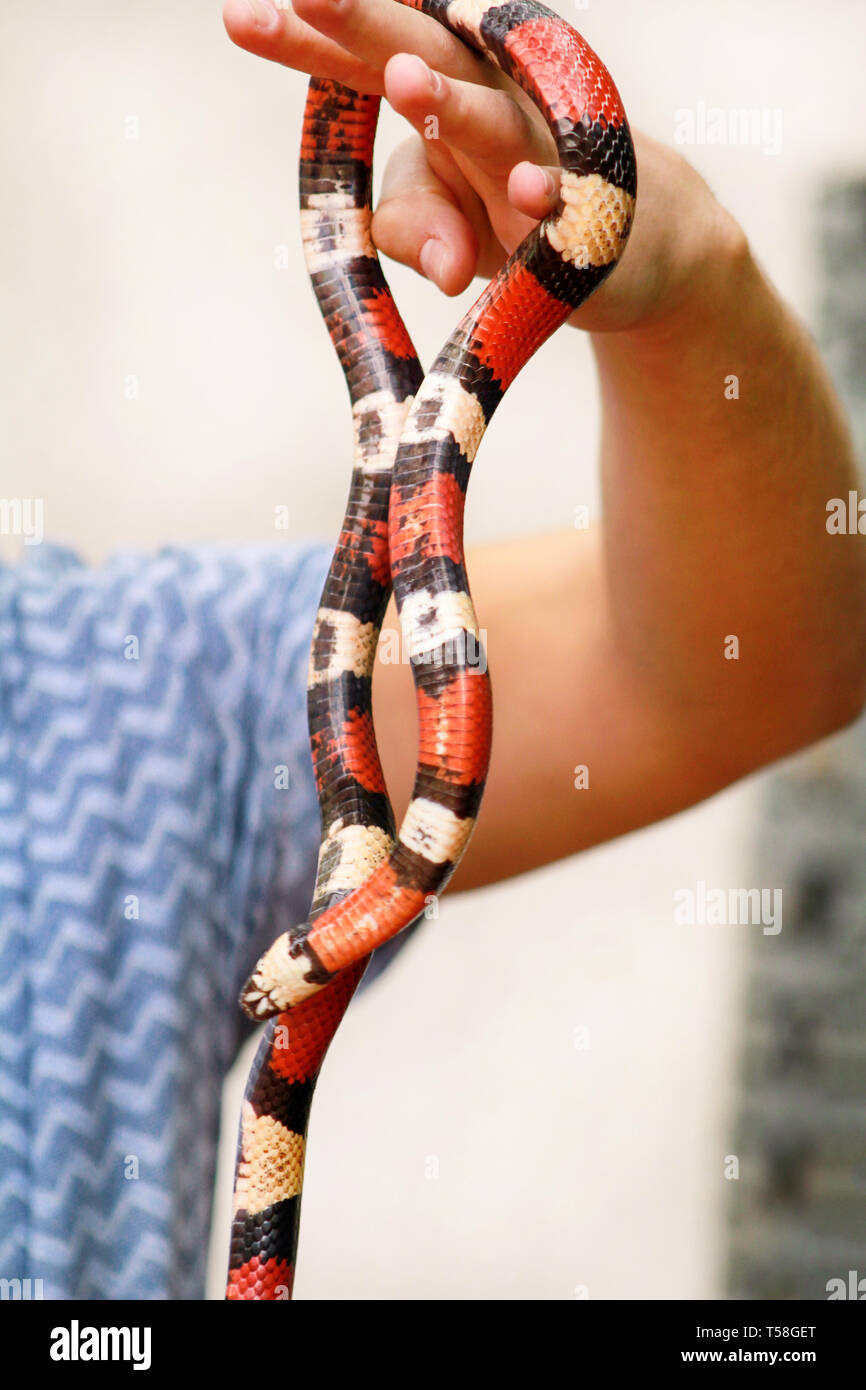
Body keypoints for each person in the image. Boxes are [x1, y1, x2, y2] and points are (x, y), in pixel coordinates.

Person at [0, 0, 863, 1300]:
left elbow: (759, 672)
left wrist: (686, 293)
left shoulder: (112, 702)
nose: (264, 990)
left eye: (287, 964)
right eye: (287, 968)